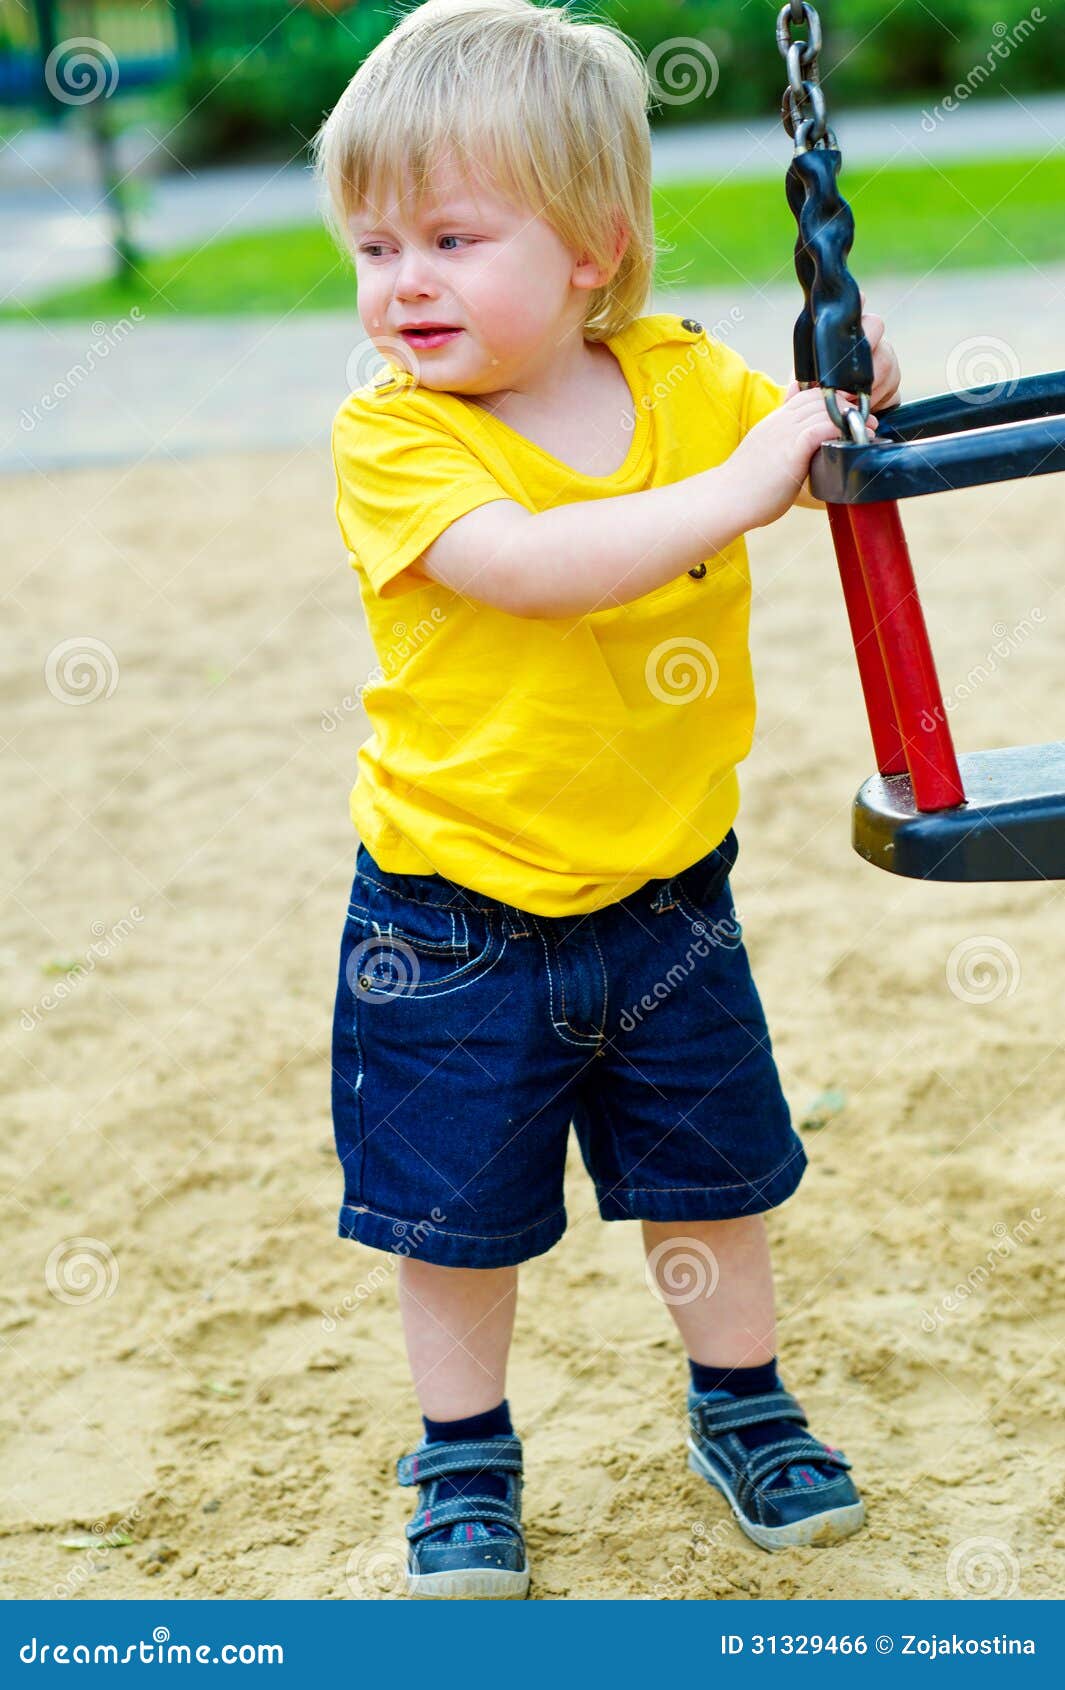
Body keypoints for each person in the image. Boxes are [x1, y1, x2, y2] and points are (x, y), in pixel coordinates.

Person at [313, 0, 900, 1600]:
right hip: (448, 913)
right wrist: (740, 482)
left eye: (448, 235)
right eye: (373, 247)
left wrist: (842, 392)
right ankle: (464, 1453)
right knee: (455, 1220)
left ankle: (742, 1402)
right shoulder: (395, 440)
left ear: (589, 246)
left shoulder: (683, 380)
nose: (401, 283)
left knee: (708, 1180)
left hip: (666, 896)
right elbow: (541, 571)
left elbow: (807, 436)